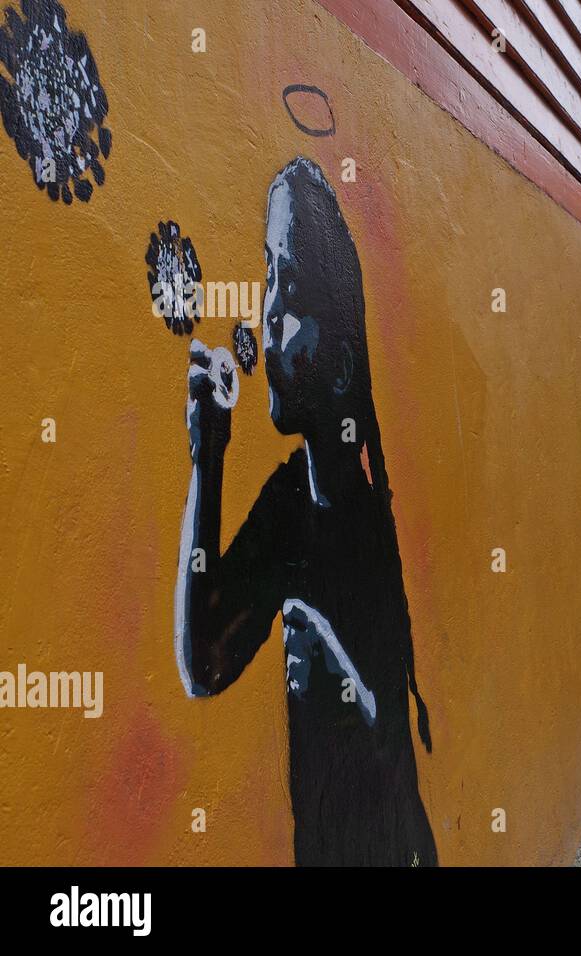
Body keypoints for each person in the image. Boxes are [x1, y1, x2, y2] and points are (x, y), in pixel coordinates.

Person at [174, 156, 437, 866]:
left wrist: (323, 659)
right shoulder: (291, 500)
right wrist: (210, 458)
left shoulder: (362, 518)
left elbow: (388, 751)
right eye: (266, 283)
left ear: (344, 367)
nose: (264, 314)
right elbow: (205, 660)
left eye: (286, 290)